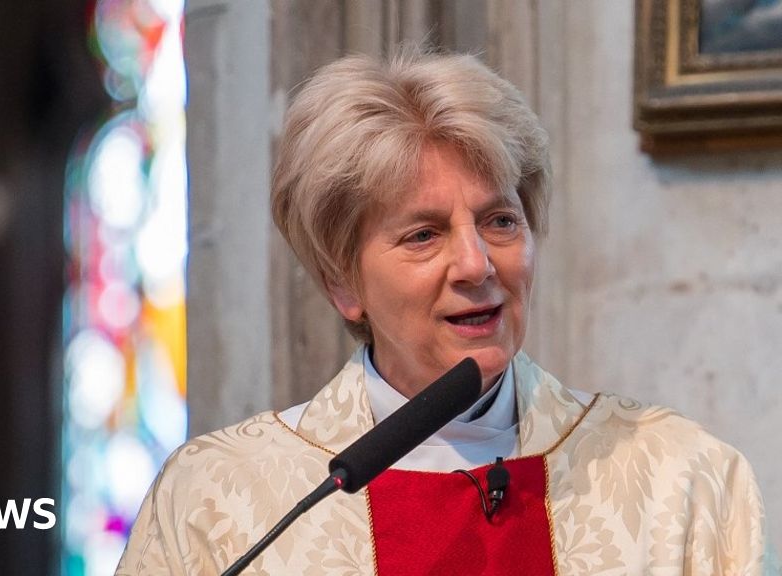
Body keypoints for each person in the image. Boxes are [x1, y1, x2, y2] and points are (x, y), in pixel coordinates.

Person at [116, 50, 779, 575]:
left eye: (500, 221)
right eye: (423, 234)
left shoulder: (683, 482)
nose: (476, 264)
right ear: (342, 283)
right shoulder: (220, 503)